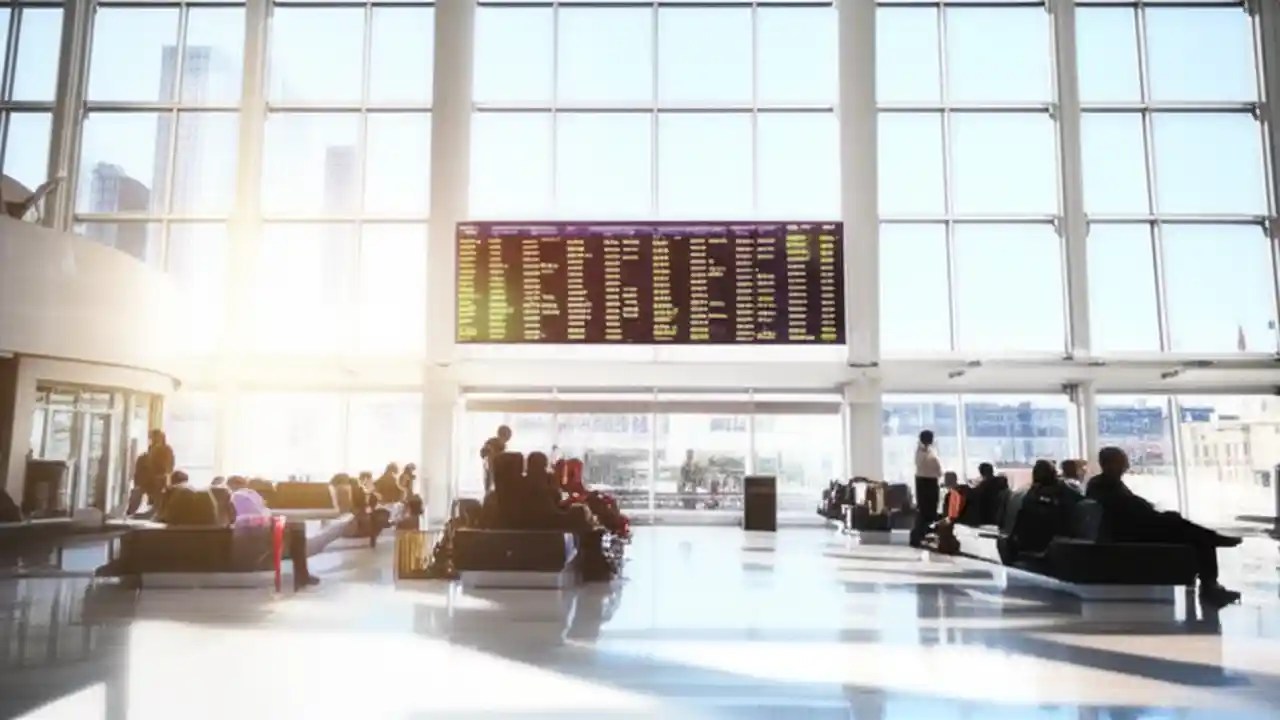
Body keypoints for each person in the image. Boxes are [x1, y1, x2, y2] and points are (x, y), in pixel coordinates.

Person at [1087, 447, 1241, 609]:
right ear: (1109, 464)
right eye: (1122, 461)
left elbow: (1130, 505)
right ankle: (1210, 582)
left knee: (1185, 528)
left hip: (1134, 527)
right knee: (1193, 534)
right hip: (1131, 532)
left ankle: (1210, 574)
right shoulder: (1104, 485)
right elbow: (1127, 508)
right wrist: (1149, 510)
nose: (1126, 465)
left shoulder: (1104, 484)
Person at [227, 476, 318, 589]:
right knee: (297, 528)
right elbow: (255, 515)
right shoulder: (242, 495)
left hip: (249, 528)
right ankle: (302, 575)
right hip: (252, 529)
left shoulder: (237, 495)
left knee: (296, 527)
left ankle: (302, 574)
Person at [1005, 459, 1082, 559]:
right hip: (1057, 546)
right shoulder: (1066, 491)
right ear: (1054, 474)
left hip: (1028, 545)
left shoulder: (1027, 494)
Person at [910, 430, 942, 547]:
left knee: (927, 510)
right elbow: (935, 467)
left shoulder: (924, 451)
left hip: (926, 480)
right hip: (927, 481)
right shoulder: (924, 452)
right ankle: (918, 536)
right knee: (926, 510)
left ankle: (923, 534)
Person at [480, 426, 512, 495]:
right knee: (489, 490)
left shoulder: (503, 445)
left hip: (498, 471)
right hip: (491, 469)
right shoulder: (491, 442)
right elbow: (483, 454)